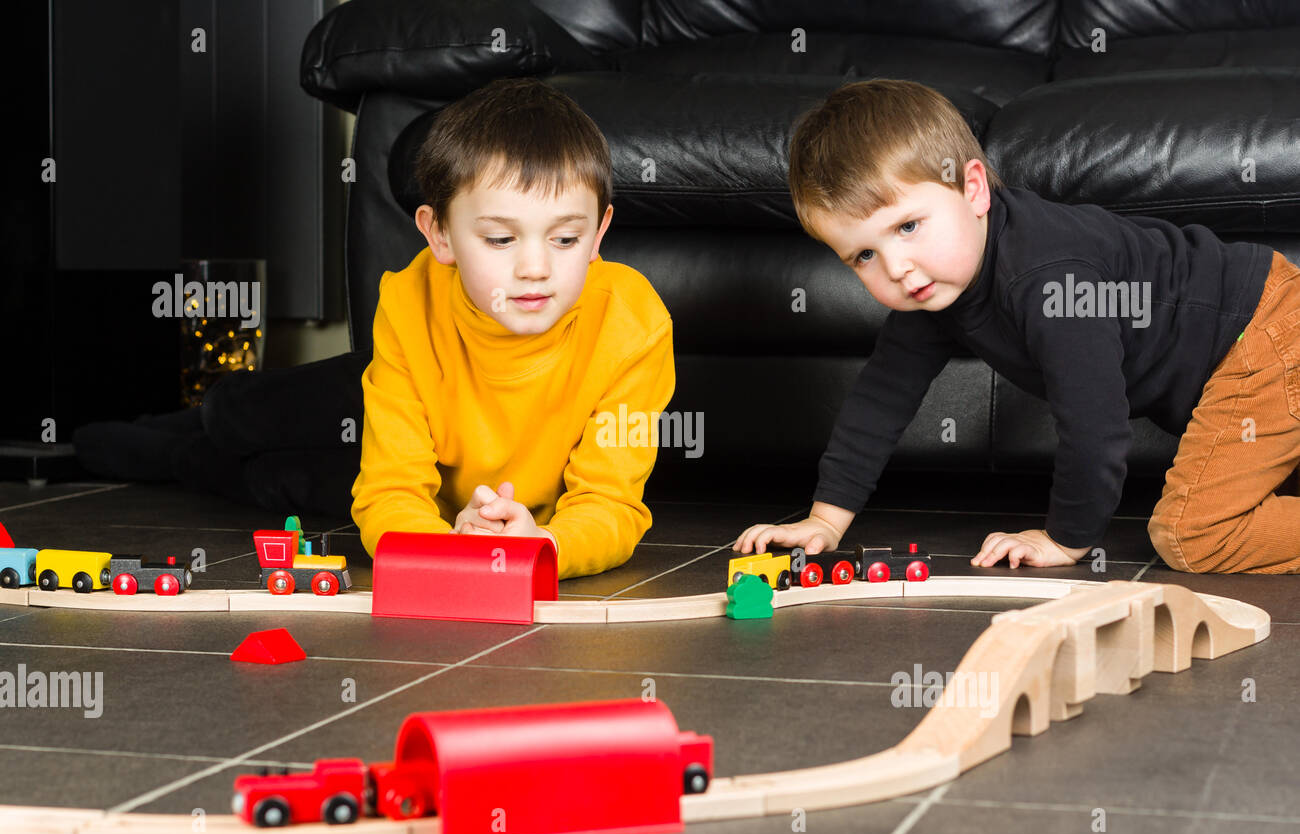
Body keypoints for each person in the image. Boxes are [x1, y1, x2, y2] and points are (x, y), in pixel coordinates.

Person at [735, 78, 1300, 574]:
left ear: (973, 189)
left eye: (907, 226)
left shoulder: (1051, 278)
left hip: (1267, 334)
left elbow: (1094, 419)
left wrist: (1066, 538)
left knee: (1193, 533)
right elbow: (881, 398)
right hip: (1259, 341)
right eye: (862, 256)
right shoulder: (936, 285)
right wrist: (824, 522)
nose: (897, 269)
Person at [348, 78, 675, 579]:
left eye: (566, 238)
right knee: (240, 421)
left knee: (273, 461)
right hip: (361, 415)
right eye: (501, 239)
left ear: (597, 235)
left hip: (494, 502)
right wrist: (451, 551)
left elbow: (611, 501)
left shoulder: (632, 324)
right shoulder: (407, 302)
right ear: (440, 235)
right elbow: (390, 490)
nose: (535, 268)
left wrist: (544, 545)